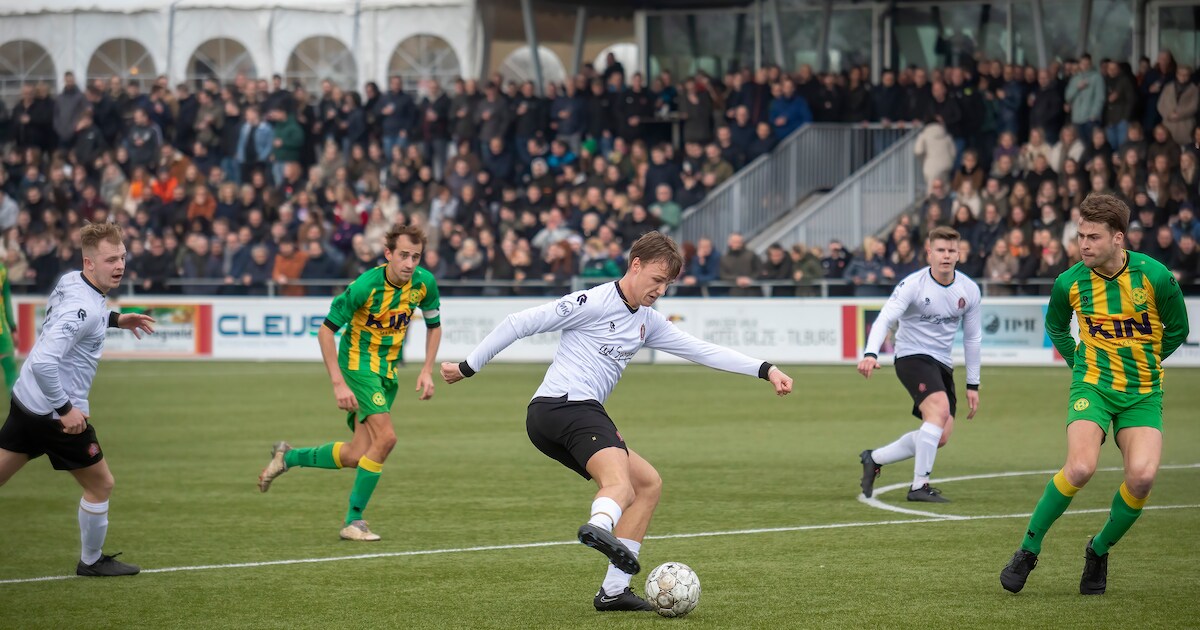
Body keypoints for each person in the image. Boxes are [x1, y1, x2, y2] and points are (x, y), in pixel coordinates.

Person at [439, 232, 793, 611]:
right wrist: (468, 366)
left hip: (568, 417)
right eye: (656, 279)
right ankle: (600, 528)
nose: (660, 290)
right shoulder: (592, 301)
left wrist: (764, 369)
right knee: (620, 484)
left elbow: (702, 350)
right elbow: (519, 321)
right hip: (563, 407)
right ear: (635, 265)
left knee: (648, 485)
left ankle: (613, 591)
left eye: (667, 284)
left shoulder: (648, 322)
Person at [1000, 194, 1189, 595]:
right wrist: (1080, 364)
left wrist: (1145, 360)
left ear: (1118, 238)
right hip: (1093, 386)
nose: (1083, 244)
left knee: (1142, 478)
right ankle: (1029, 548)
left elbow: (1178, 331)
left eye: (1093, 237)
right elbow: (1055, 327)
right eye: (1080, 235)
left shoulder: (1156, 277)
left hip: (1142, 393)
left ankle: (1098, 549)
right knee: (1081, 468)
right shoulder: (1068, 282)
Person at [258, 225, 443, 542]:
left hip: (387, 372)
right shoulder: (364, 286)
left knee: (358, 454)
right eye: (403, 255)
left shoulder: (425, 283)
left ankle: (287, 457)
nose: (410, 263)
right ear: (388, 254)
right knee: (386, 439)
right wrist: (338, 384)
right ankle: (354, 521)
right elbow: (325, 331)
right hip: (358, 366)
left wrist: (427, 369)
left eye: (415, 256)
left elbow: (434, 325)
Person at [0, 222, 156, 576]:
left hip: (27, 400)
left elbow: (88, 315)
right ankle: (91, 562)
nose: (119, 266)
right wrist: (66, 409)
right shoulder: (81, 307)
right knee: (102, 485)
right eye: (110, 260)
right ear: (89, 263)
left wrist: (117, 319)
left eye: (122, 257)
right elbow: (43, 361)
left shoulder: (73, 281)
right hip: (54, 415)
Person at [857, 226, 982, 503]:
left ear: (958, 254)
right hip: (911, 356)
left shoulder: (969, 290)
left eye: (951, 250)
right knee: (938, 413)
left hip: (942, 363)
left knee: (939, 435)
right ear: (929, 253)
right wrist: (870, 353)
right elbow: (885, 319)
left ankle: (873, 458)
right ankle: (919, 486)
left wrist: (973, 383)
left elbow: (973, 338)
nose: (946, 256)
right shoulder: (912, 284)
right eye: (940, 250)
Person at [0, 259, 16, 391]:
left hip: (1, 327)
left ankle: (18, 406)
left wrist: (12, 327)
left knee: (10, 363)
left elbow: (6, 297)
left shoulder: (1, 269)